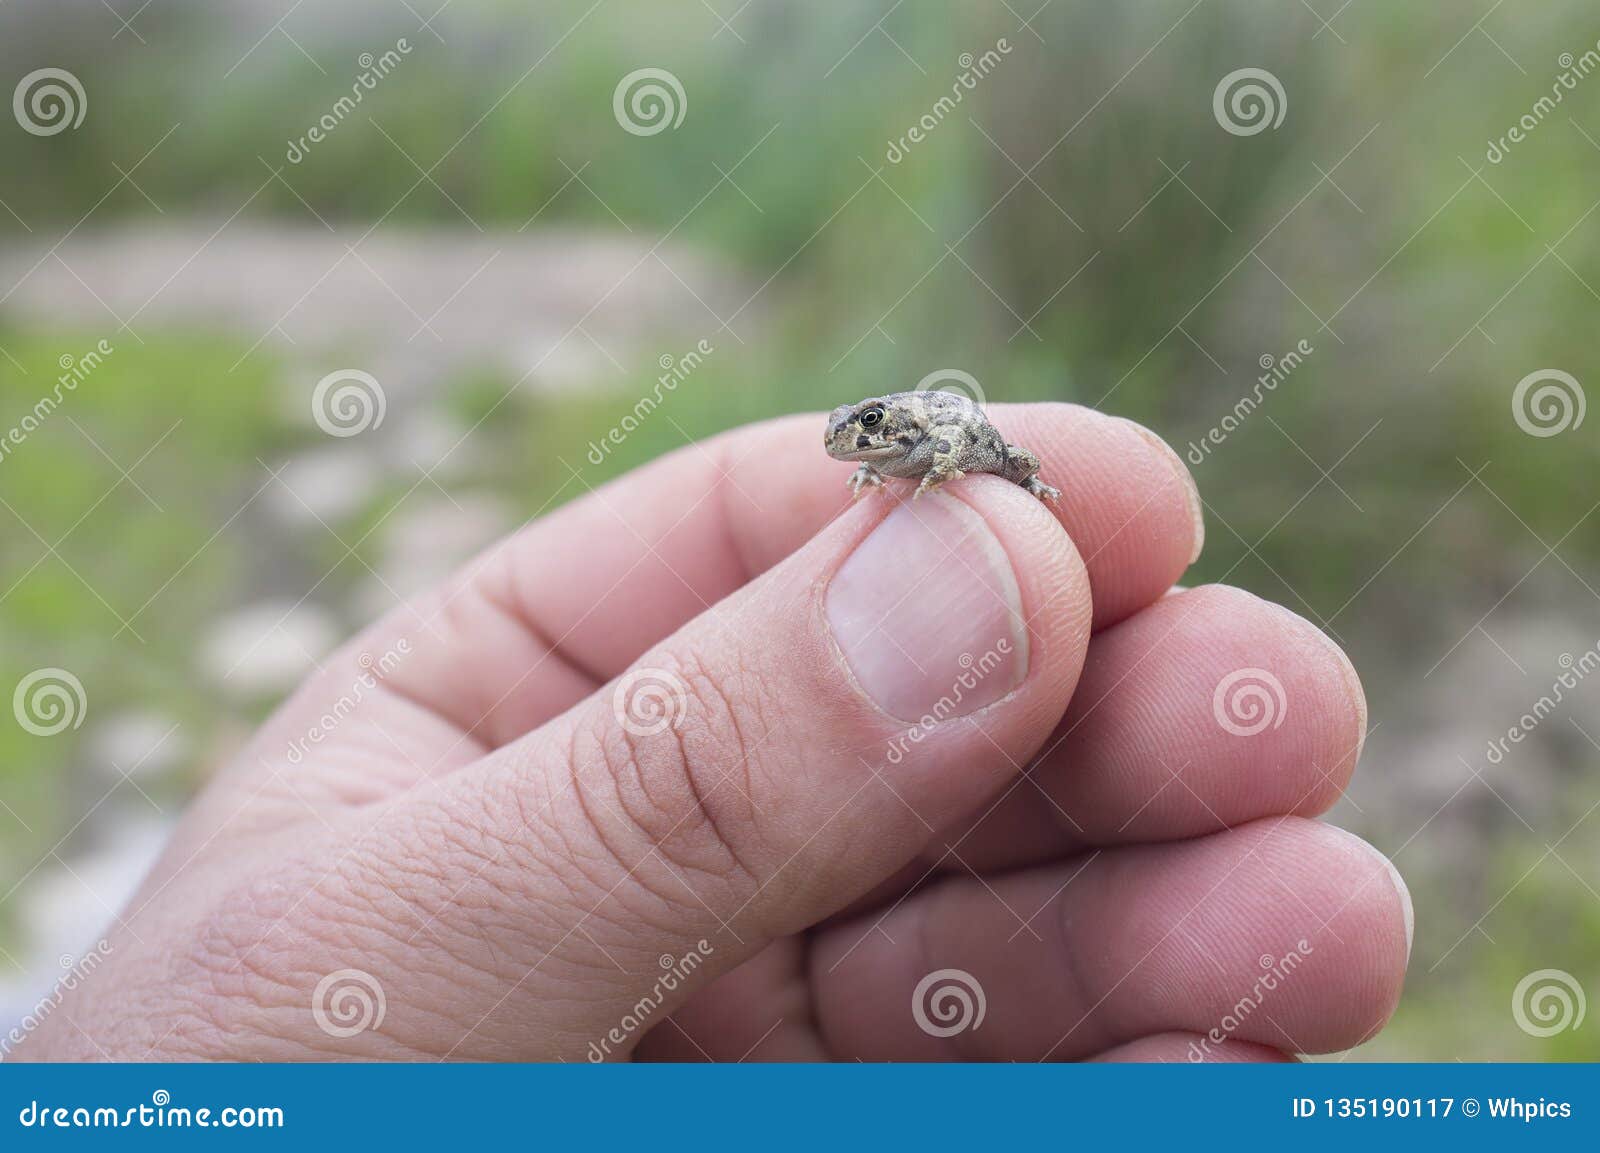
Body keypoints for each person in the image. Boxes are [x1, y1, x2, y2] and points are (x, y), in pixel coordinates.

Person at [14, 405, 1410, 1061]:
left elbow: (932, 451)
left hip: (982, 464)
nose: (860, 454)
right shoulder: (885, 470)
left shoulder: (925, 462)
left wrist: (950, 491)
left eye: (871, 447)